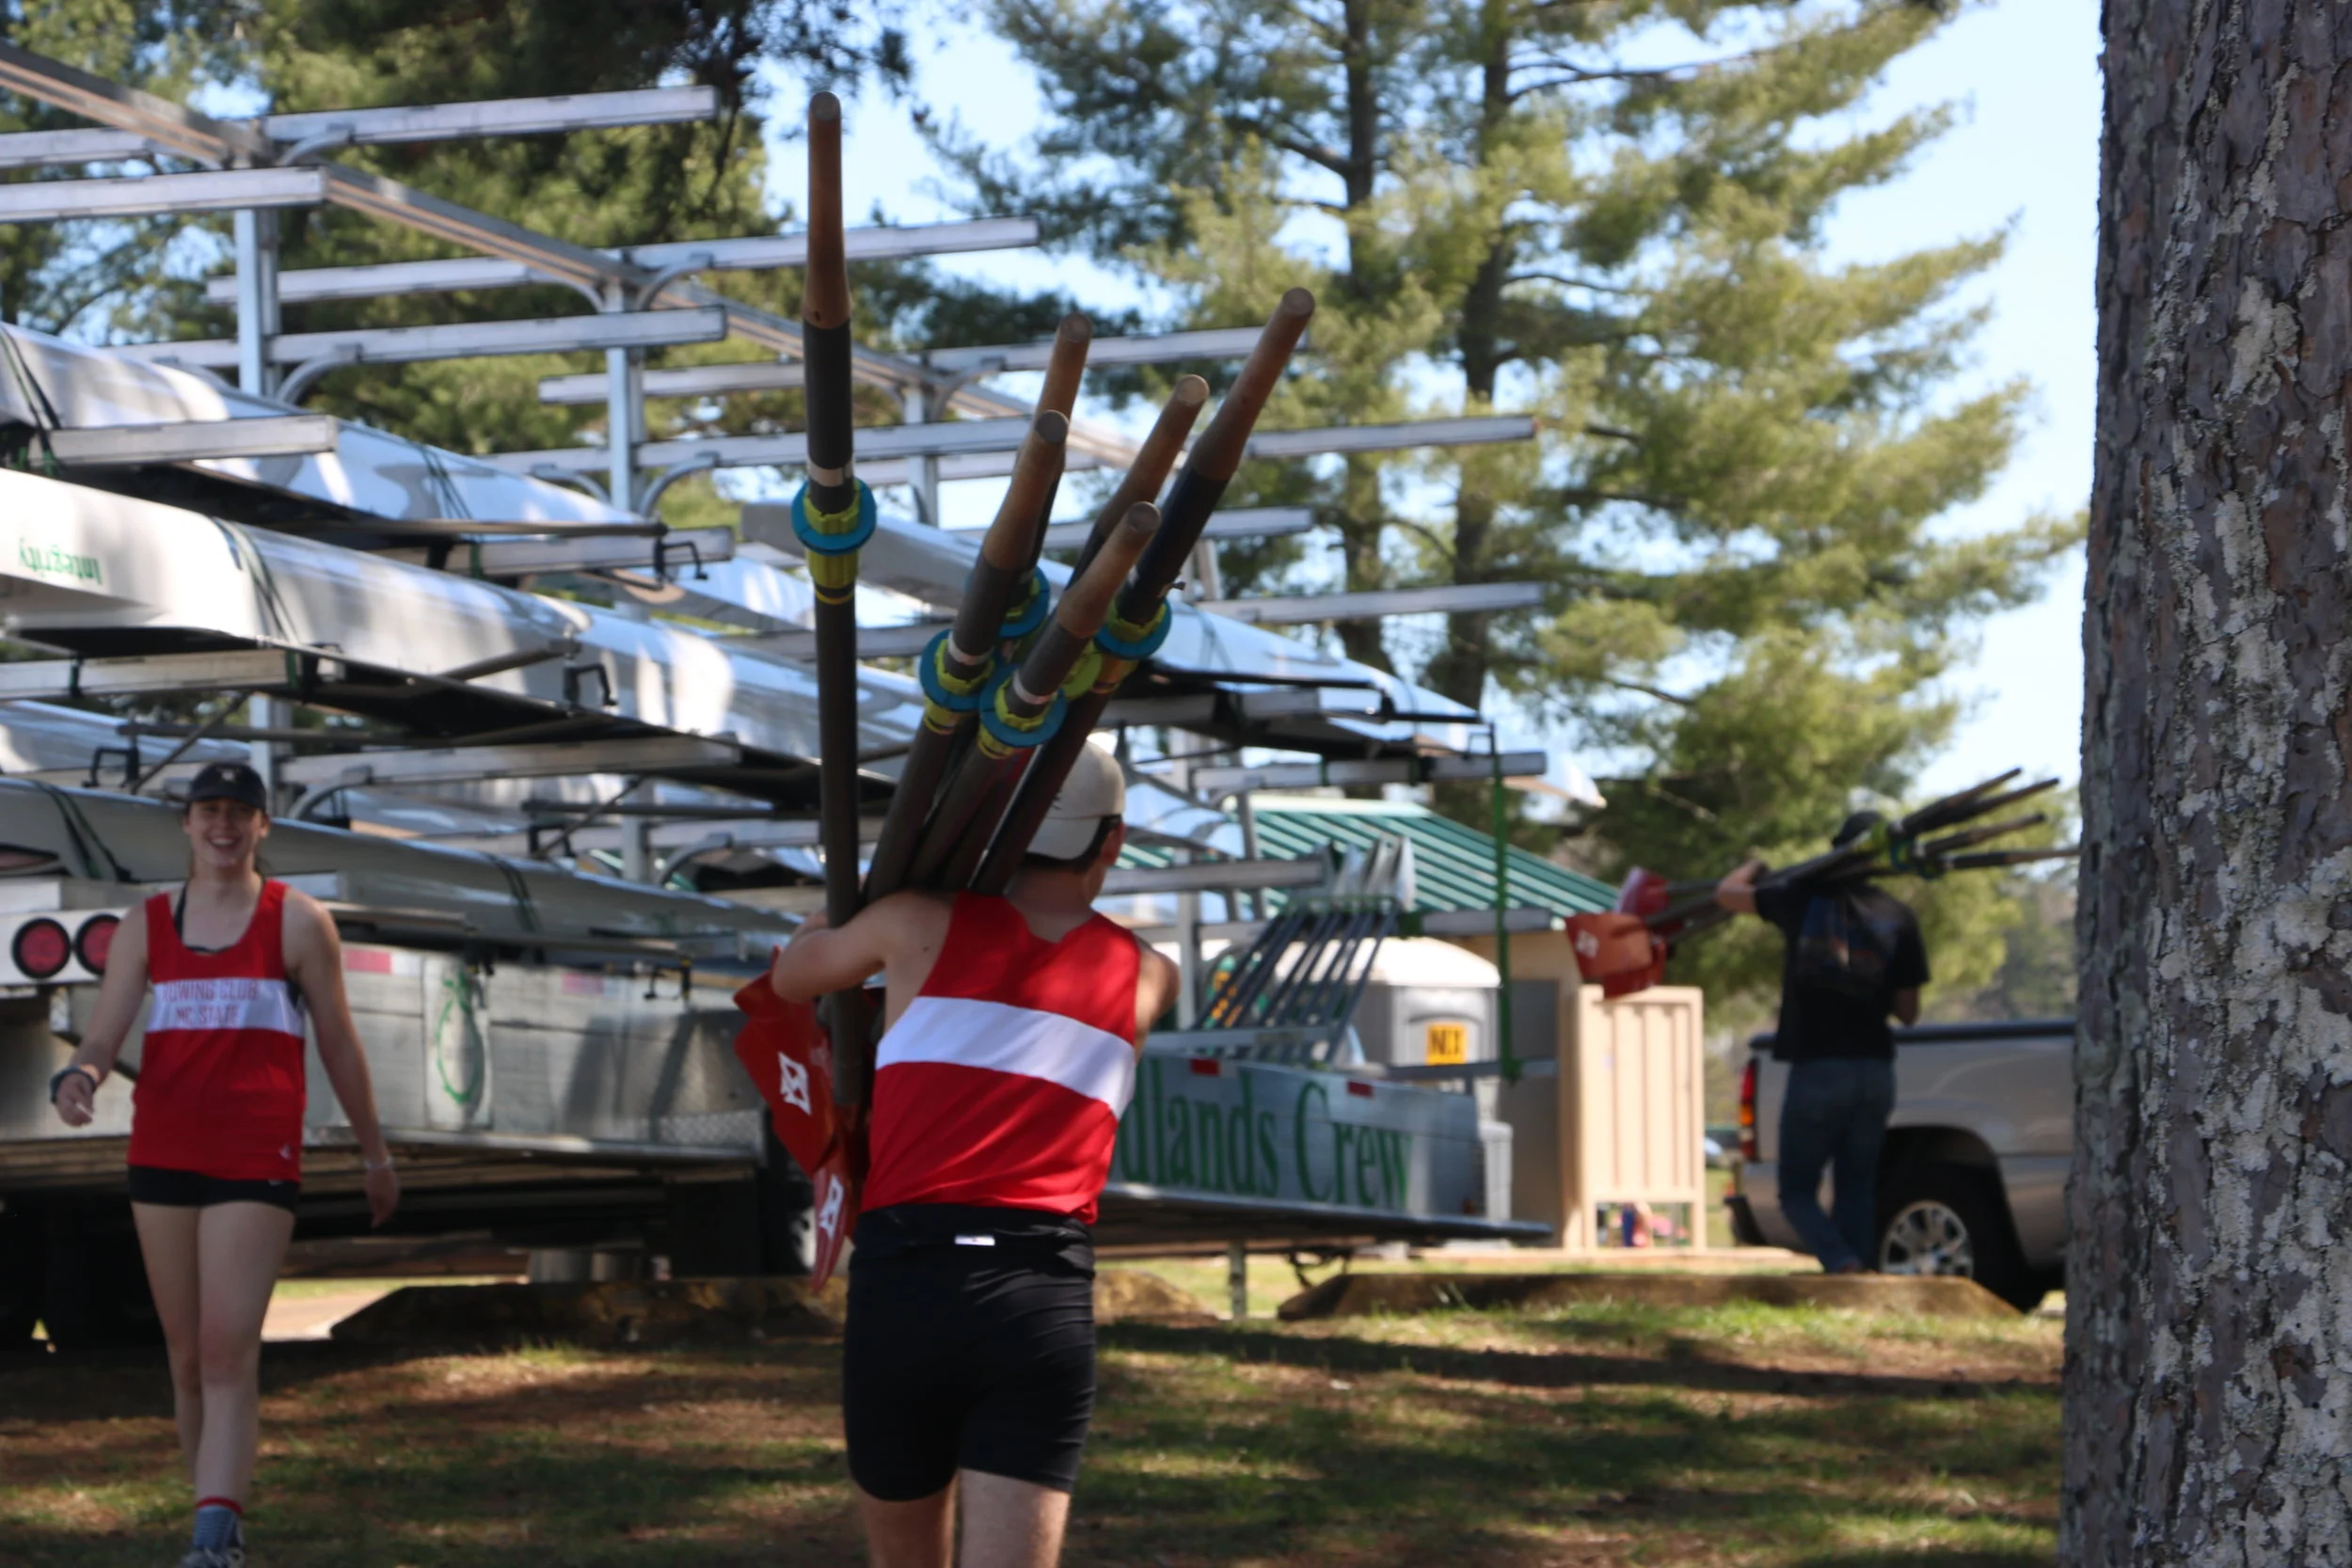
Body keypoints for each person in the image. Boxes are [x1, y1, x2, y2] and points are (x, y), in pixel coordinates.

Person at [767, 741, 1178, 1568]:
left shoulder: (912, 922)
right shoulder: (1151, 974)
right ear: (1114, 841)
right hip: (1040, 1298)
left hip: (906, 1285)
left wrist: (861, 906)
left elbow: (792, 976)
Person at [49, 760, 400, 1568]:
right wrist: (80, 1077)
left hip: (254, 1154)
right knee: (182, 1355)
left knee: (224, 1347)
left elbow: (340, 1044)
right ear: (186, 823)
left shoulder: (299, 921)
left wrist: (374, 1153)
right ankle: (216, 1520)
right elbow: (102, 1037)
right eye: (209, 809)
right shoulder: (145, 924)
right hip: (164, 1150)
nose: (223, 825)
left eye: (240, 812)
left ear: (262, 826)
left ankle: (213, 1534)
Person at [1714, 811, 1928, 1275]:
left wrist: (1756, 866)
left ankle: (1843, 1263)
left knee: (1795, 1191)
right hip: (1874, 1070)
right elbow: (1908, 1012)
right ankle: (1858, 1279)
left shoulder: (1800, 898)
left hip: (1817, 1069)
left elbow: (1727, 894)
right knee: (1857, 1187)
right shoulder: (1898, 916)